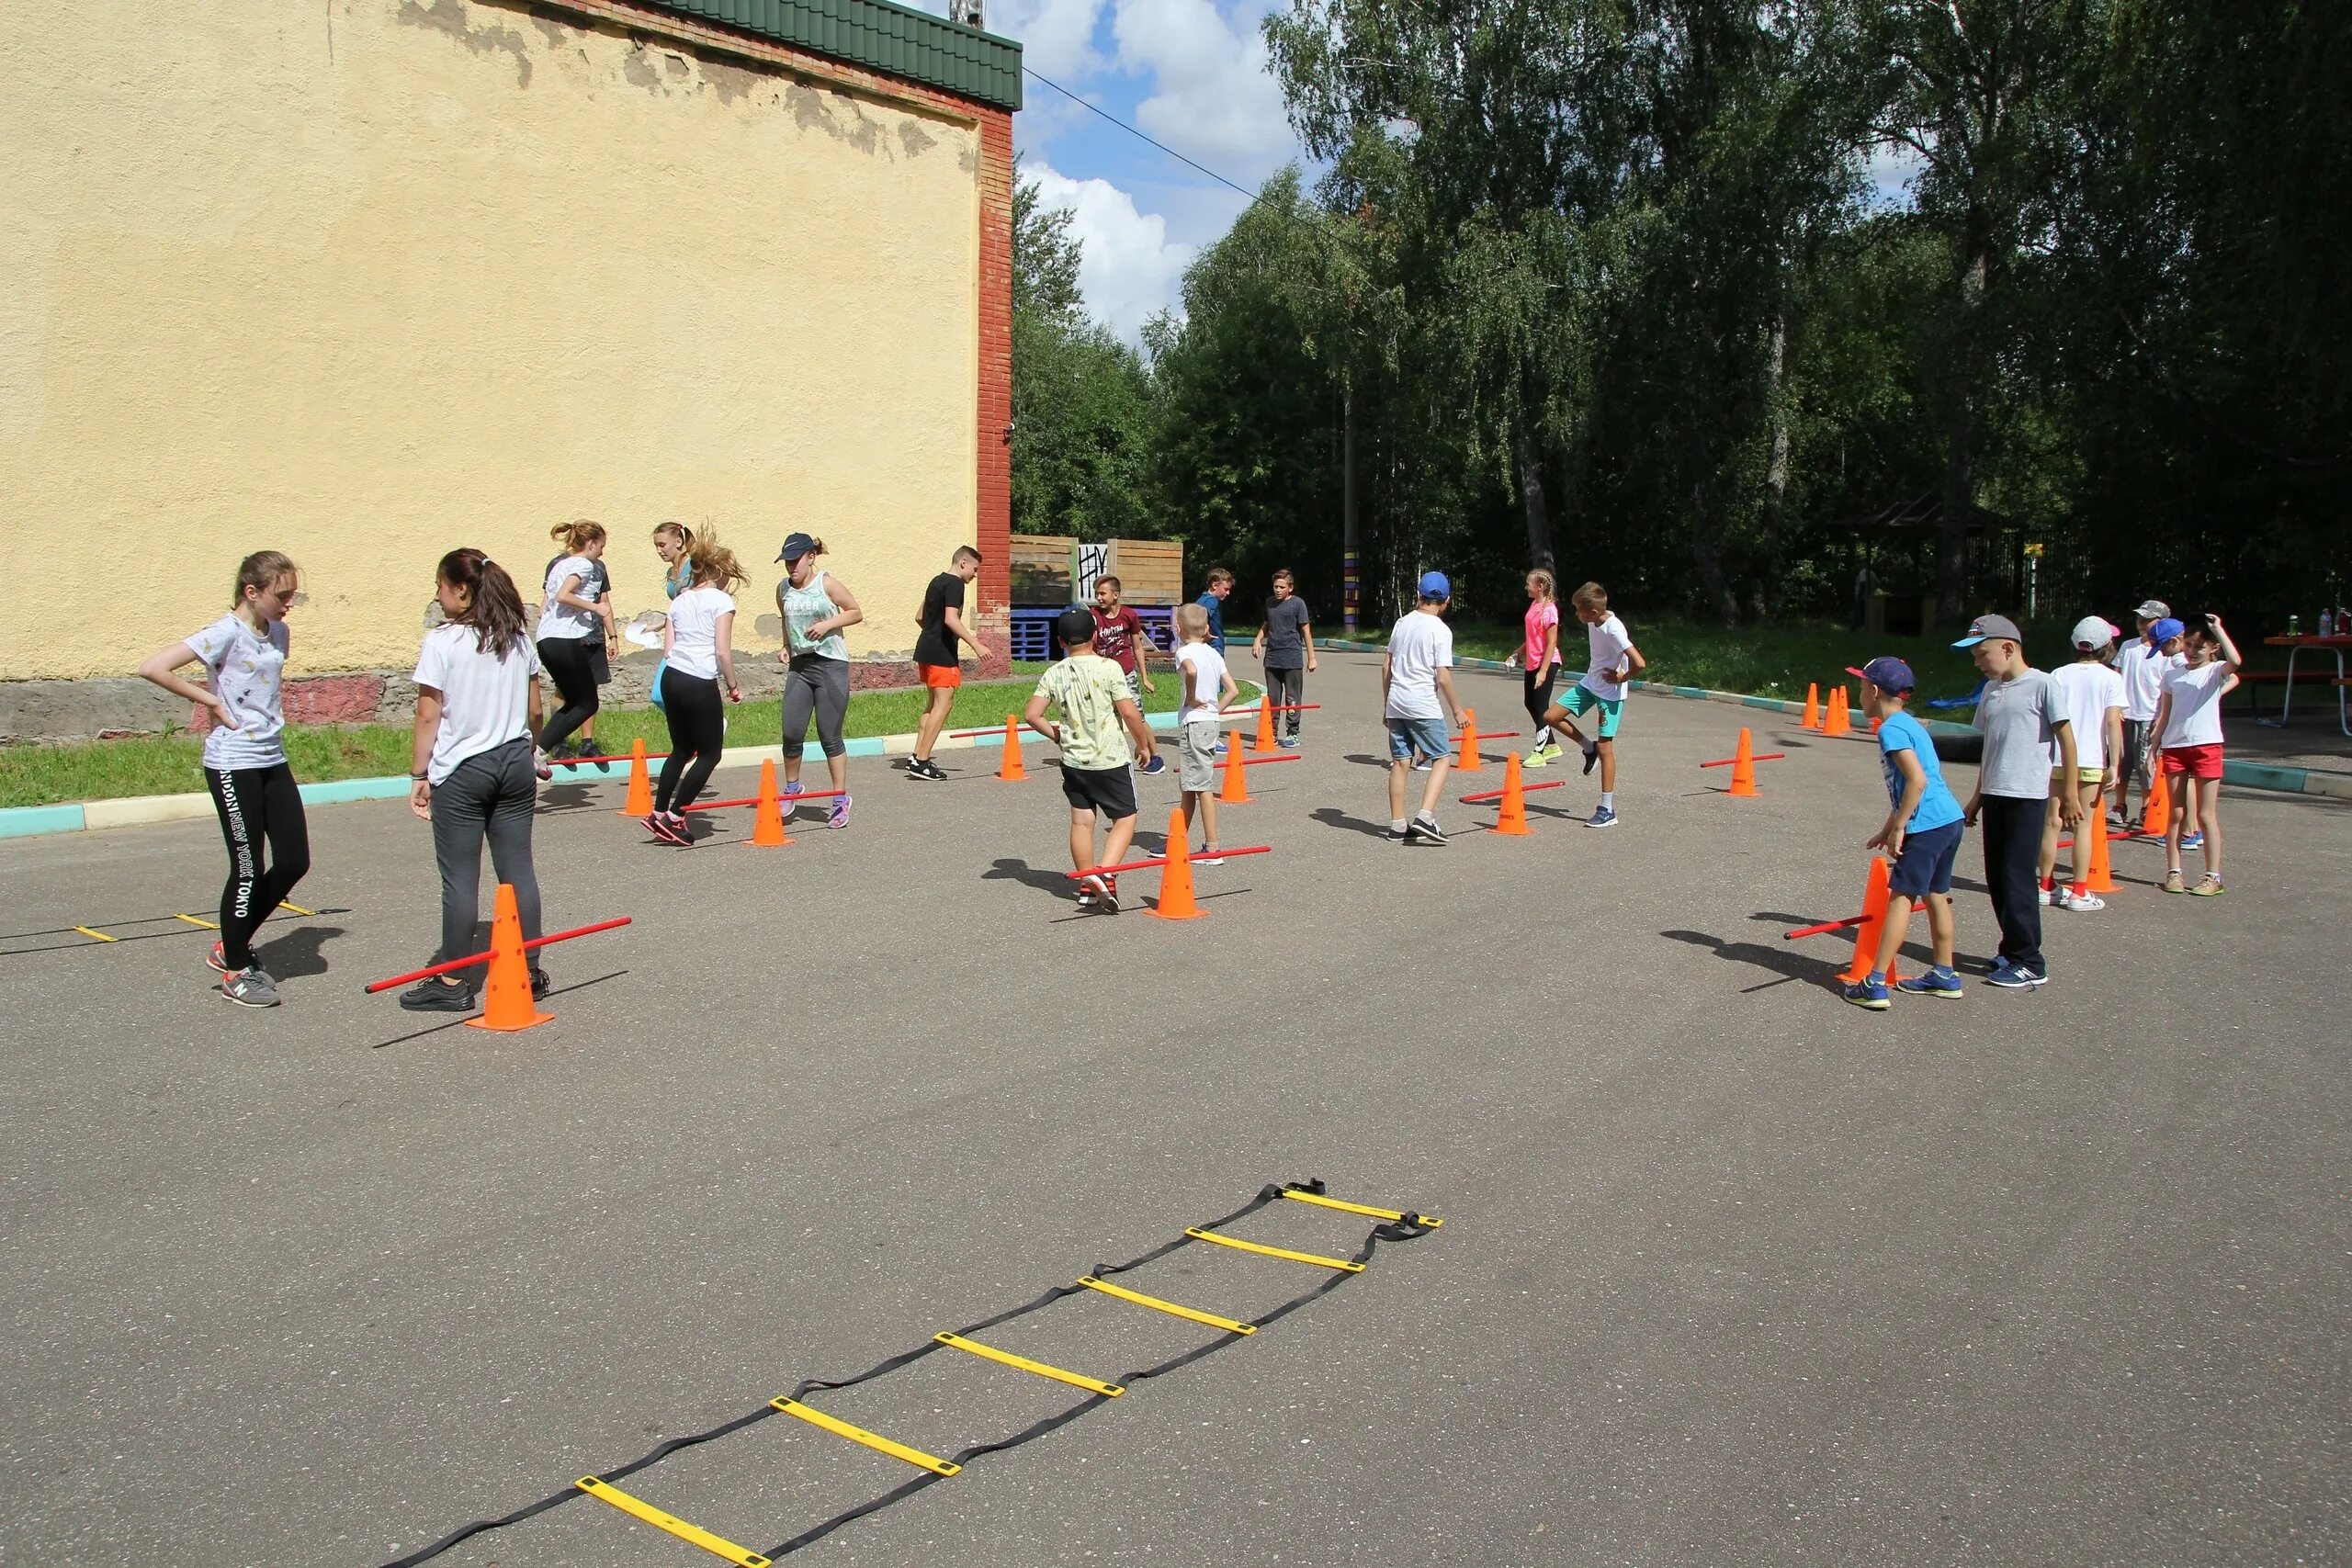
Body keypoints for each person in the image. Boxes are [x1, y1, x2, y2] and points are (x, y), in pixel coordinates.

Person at [137, 550, 311, 1008]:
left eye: (294, 595)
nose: (288, 604)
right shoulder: (224, 632)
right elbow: (154, 667)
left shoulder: (279, 632)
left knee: (294, 860)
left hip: (272, 756)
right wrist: (209, 703)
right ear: (251, 593)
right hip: (232, 761)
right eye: (281, 595)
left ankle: (229, 942)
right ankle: (236, 966)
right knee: (249, 867)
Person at [402, 549, 551, 1012]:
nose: (437, 595)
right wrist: (533, 748)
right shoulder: (517, 640)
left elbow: (428, 715)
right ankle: (528, 970)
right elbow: (535, 710)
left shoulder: (442, 643)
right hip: (514, 763)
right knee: (518, 870)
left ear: (461, 590)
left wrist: (419, 774)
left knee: (460, 879)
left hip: (464, 771)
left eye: (440, 586)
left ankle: (451, 982)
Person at [1955, 613, 2080, 990]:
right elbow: (1991, 751)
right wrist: (1976, 798)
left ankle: (2030, 961)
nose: (1978, 662)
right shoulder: (1992, 690)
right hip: (1995, 793)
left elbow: (2067, 741)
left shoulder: (2043, 684)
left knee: (2017, 877)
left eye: (1982, 654)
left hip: (2026, 795)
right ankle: (2011, 948)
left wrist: (2070, 792)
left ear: (2008, 648)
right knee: (1997, 877)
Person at [1845, 657, 1966, 1009]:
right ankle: (1944, 974)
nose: (1860, 694)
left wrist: (1901, 827)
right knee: (1935, 894)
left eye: (1861, 687)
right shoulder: (1910, 724)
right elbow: (1907, 788)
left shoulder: (1891, 730)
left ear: (1874, 690)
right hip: (1948, 819)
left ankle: (1875, 982)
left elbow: (1917, 780)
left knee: (1901, 897)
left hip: (1926, 824)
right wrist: (1888, 827)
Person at [1024, 606, 1159, 912]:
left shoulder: (1053, 673)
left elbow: (1032, 715)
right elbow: (1128, 712)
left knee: (1082, 822)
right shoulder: (1109, 667)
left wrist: (1057, 736)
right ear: (1096, 635)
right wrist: (1143, 745)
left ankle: (1087, 884)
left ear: (1061, 642)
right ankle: (1105, 873)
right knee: (1125, 818)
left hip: (1073, 760)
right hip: (1110, 758)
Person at [647, 534, 746, 845]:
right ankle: (676, 816)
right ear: (717, 572)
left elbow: (668, 650)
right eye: (728, 574)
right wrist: (733, 686)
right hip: (697, 680)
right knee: (710, 753)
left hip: (672, 676)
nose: (730, 580)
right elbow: (722, 652)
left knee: (681, 749)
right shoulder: (721, 601)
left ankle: (658, 812)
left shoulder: (679, 600)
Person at [1532, 582, 1645, 827]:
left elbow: (1639, 662)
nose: (1576, 615)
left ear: (1592, 612)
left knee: (1607, 749)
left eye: (1578, 610)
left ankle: (1607, 809)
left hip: (1610, 693)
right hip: (1590, 683)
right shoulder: (1597, 620)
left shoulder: (1614, 629)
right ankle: (1588, 748)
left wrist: (1622, 677)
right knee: (1551, 717)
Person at [775, 533, 864, 827]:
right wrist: (787, 645)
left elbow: (855, 612)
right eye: (787, 562)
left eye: (795, 560)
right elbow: (786, 620)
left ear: (811, 557)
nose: (791, 567)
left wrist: (828, 624)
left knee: (829, 735)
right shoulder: (782, 589)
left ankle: (840, 799)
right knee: (791, 731)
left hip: (830, 666)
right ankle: (791, 788)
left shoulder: (826, 583)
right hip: (800, 667)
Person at [2152, 613, 2243, 896]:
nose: (2192, 651)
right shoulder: (2171, 675)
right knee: (2176, 813)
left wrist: (2219, 629)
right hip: (2175, 747)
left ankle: (2212, 876)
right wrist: (2154, 745)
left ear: (2212, 648)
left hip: (2207, 745)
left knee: (2205, 814)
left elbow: (2237, 663)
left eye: (2199, 646)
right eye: (2188, 645)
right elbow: (2165, 714)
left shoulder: (2215, 672)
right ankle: (2174, 872)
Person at [2041, 616, 2126, 911]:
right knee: (2083, 826)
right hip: (2090, 759)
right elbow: (2113, 722)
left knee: (2052, 823)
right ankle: (2079, 892)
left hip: (2057, 759)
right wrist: (2115, 763)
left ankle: (2045, 885)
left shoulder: (2058, 675)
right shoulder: (2111, 678)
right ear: (2106, 646)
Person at [1383, 571, 1466, 843]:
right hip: (1422, 704)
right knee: (1442, 757)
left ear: (1418, 595)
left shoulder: (1402, 622)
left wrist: (1387, 705)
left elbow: (1387, 666)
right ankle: (1425, 817)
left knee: (1400, 762)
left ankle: (1397, 825)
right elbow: (1442, 676)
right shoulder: (1440, 630)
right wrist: (1457, 710)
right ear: (1447, 600)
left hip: (1397, 701)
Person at [535, 521, 616, 761]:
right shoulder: (584, 564)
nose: (602, 552)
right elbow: (563, 595)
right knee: (588, 703)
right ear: (591, 544)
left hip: (546, 640)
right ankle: (537, 752)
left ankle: (536, 751)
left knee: (575, 700)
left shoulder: (560, 564)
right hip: (565, 639)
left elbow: (546, 605)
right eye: (601, 546)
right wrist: (596, 607)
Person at [906, 546, 989, 782]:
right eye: (975, 569)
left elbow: (920, 616)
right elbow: (951, 618)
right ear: (963, 562)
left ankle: (916, 755)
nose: (975, 574)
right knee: (944, 705)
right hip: (942, 655)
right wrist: (976, 644)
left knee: (932, 705)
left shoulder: (936, 580)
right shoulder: (954, 584)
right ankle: (922, 761)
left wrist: (933, 635)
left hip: (926, 649)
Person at [1173, 602, 1239, 863]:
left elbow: (1190, 670)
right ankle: (1178, 840)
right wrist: (1215, 711)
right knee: (1191, 785)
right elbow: (1233, 690)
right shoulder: (1214, 653)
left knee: (1202, 787)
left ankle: (1212, 847)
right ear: (1206, 629)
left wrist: (1190, 698)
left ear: (1178, 628)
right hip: (1209, 722)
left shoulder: (1183, 652)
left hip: (1195, 723)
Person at [2112, 598, 2171, 829]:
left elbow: (2167, 689)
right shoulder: (2128, 646)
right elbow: (2116, 675)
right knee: (2121, 760)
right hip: (2124, 713)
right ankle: (2119, 805)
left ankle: (2148, 806)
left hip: (2148, 714)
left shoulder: (2164, 652)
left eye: (2148, 619)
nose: (2141, 623)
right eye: (2139, 618)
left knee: (2146, 762)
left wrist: (2161, 716)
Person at [1251, 569, 1317, 748]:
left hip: (1292, 658)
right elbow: (1266, 625)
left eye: (1281, 587)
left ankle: (1292, 733)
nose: (1278, 590)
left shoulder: (1298, 604)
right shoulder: (1270, 603)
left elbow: (1306, 631)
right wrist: (1258, 639)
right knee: (1273, 698)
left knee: (1292, 698)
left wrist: (1312, 657)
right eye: (1275, 587)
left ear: (1290, 588)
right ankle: (1270, 732)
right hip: (1272, 658)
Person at [1510, 570, 1565, 765]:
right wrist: (1519, 652)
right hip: (1532, 661)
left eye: (1529, 583)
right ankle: (1551, 745)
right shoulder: (1534, 605)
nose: (1526, 587)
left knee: (1541, 706)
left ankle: (1539, 753)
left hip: (1547, 662)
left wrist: (1543, 670)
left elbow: (1551, 642)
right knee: (1530, 703)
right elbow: (1533, 637)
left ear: (1540, 586)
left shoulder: (1549, 609)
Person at [1088, 575, 1160, 703]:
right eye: (1096, 594)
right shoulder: (1093, 615)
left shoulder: (1129, 615)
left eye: (1102, 594)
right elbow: (1088, 648)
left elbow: (1137, 647)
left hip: (1126, 673)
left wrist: (1145, 677)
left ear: (1115, 595)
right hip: (1102, 674)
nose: (1098, 598)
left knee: (1136, 715)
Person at [653, 521, 697, 601]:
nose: (658, 551)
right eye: (656, 546)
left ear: (678, 542)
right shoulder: (670, 572)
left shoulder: (695, 565)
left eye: (662, 545)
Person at [1195, 568, 1233, 654]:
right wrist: (1207, 635)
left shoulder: (1202, 599)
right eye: (1226, 589)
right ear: (1215, 585)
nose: (1228, 593)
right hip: (1214, 648)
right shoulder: (1212, 600)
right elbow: (1199, 618)